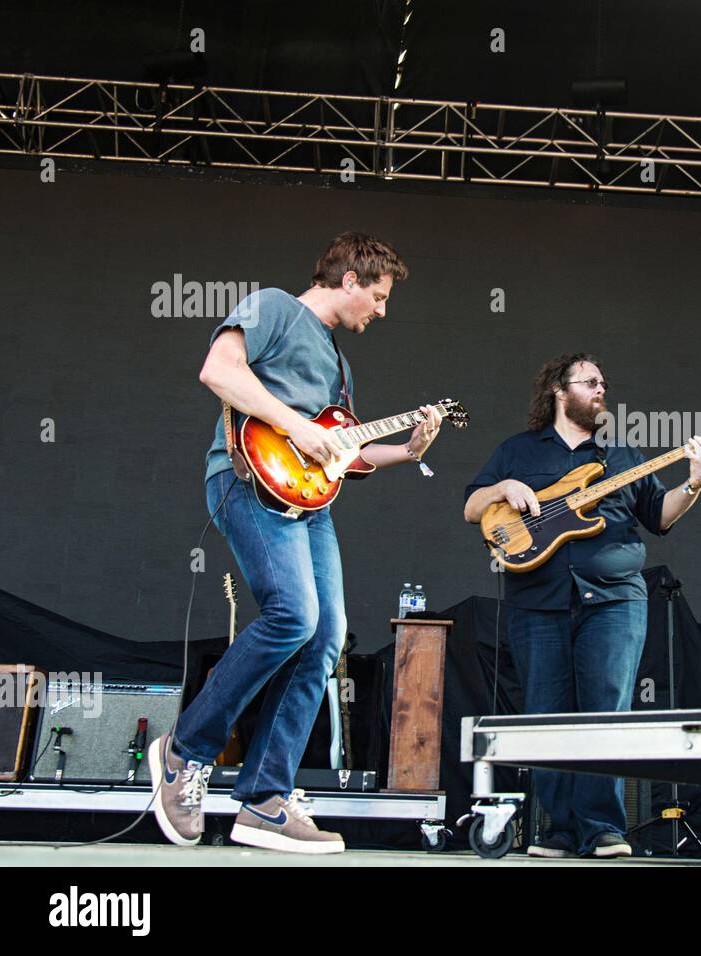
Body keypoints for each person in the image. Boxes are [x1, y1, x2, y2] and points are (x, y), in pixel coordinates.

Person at [149, 232, 443, 854]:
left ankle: (264, 799)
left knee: (326, 634)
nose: (382, 311)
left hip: (306, 501)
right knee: (293, 615)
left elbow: (342, 454)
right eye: (381, 296)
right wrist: (296, 426)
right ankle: (183, 753)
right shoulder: (273, 306)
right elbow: (217, 371)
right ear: (350, 281)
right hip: (245, 480)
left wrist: (406, 450)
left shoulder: (339, 364)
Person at [464, 354, 701, 858]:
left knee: (607, 711)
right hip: (538, 601)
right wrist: (503, 487)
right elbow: (473, 508)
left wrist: (696, 478)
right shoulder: (517, 450)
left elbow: (659, 517)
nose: (602, 389)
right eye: (590, 382)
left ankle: (603, 827)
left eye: (604, 382)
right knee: (546, 714)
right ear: (560, 390)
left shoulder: (623, 453)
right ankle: (557, 829)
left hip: (615, 598)